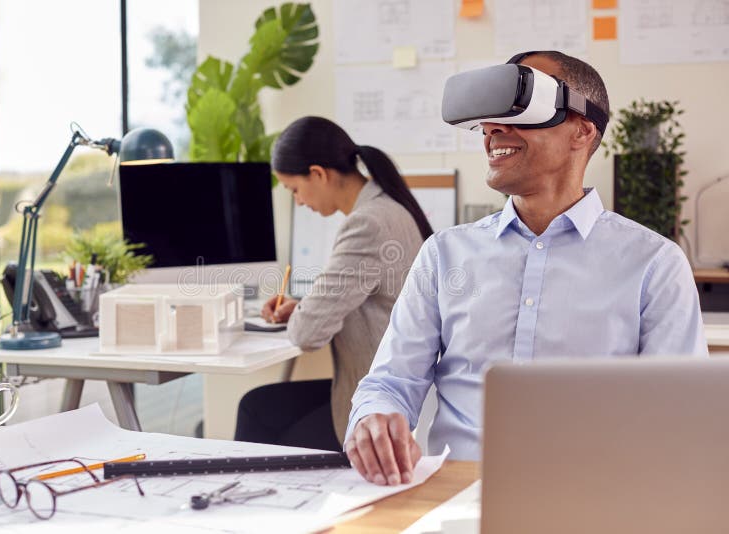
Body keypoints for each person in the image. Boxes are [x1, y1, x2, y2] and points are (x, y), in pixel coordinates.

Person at [344, 50, 708, 486]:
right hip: (454, 499)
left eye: (518, 109)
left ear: (582, 130)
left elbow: (677, 419)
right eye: (488, 118)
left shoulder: (655, 265)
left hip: (591, 497)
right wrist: (374, 418)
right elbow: (390, 381)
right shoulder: (443, 255)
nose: (493, 129)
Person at [233, 116, 433, 451]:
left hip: (380, 408)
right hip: (401, 391)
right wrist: (304, 306)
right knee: (257, 406)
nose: (298, 201)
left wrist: (305, 312)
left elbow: (306, 334)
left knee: (261, 420)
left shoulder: (367, 223)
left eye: (294, 189)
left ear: (318, 174)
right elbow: (363, 296)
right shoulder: (389, 206)